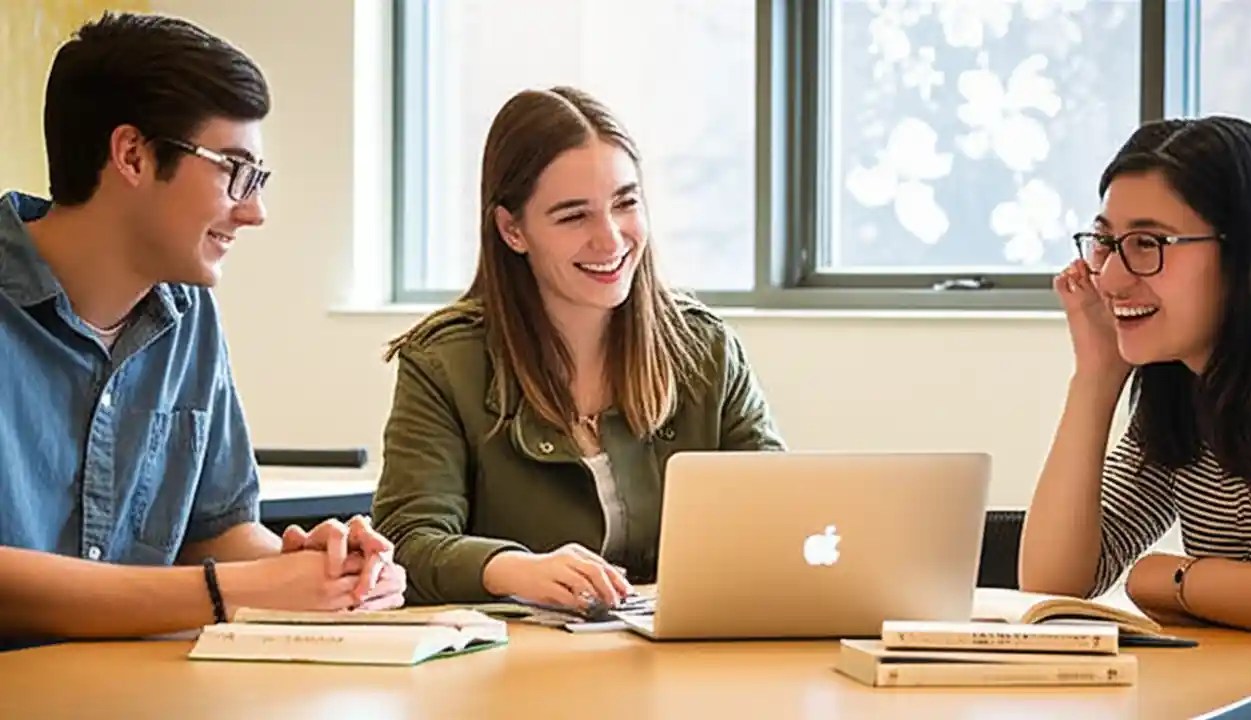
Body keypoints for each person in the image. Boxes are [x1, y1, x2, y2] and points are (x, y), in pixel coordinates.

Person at [0, 11, 406, 646]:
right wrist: (229, 592)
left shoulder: (188, 315)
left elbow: (213, 533)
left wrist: (310, 571)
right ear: (132, 154)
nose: (255, 211)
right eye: (235, 171)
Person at [373, 86, 785, 610]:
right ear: (512, 229)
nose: (610, 239)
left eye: (625, 203)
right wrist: (513, 569)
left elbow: (778, 512)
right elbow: (407, 544)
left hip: (680, 656)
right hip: (517, 672)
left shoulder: (705, 349)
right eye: (574, 216)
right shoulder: (445, 363)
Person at [1020, 115, 1251, 634]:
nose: (1112, 279)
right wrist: (1096, 375)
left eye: (1147, 244)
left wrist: (1166, 579)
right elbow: (1052, 586)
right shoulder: (1182, 397)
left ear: (1246, 252)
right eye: (1105, 243)